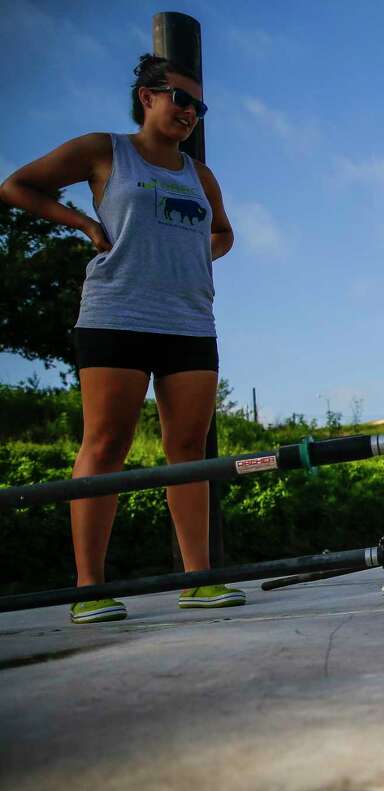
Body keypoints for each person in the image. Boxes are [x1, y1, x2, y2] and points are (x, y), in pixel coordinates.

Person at [0, 54, 241, 622]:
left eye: (198, 106)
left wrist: (193, 254)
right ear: (148, 97)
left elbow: (224, 232)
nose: (189, 112)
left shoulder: (200, 175)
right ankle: (90, 589)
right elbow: (16, 187)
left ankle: (198, 579)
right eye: (179, 98)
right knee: (106, 446)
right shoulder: (105, 150)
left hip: (188, 320)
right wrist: (83, 224)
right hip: (116, 314)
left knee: (189, 449)